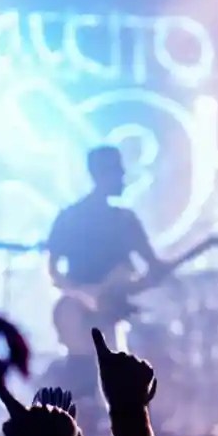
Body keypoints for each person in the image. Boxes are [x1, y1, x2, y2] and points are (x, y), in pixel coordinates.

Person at [44, 146, 166, 404]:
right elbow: (52, 269)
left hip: (115, 314)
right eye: (117, 172)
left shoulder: (125, 220)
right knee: (97, 380)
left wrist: (132, 286)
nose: (123, 178)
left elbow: (153, 269)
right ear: (102, 174)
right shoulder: (71, 218)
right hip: (82, 314)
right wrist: (83, 295)